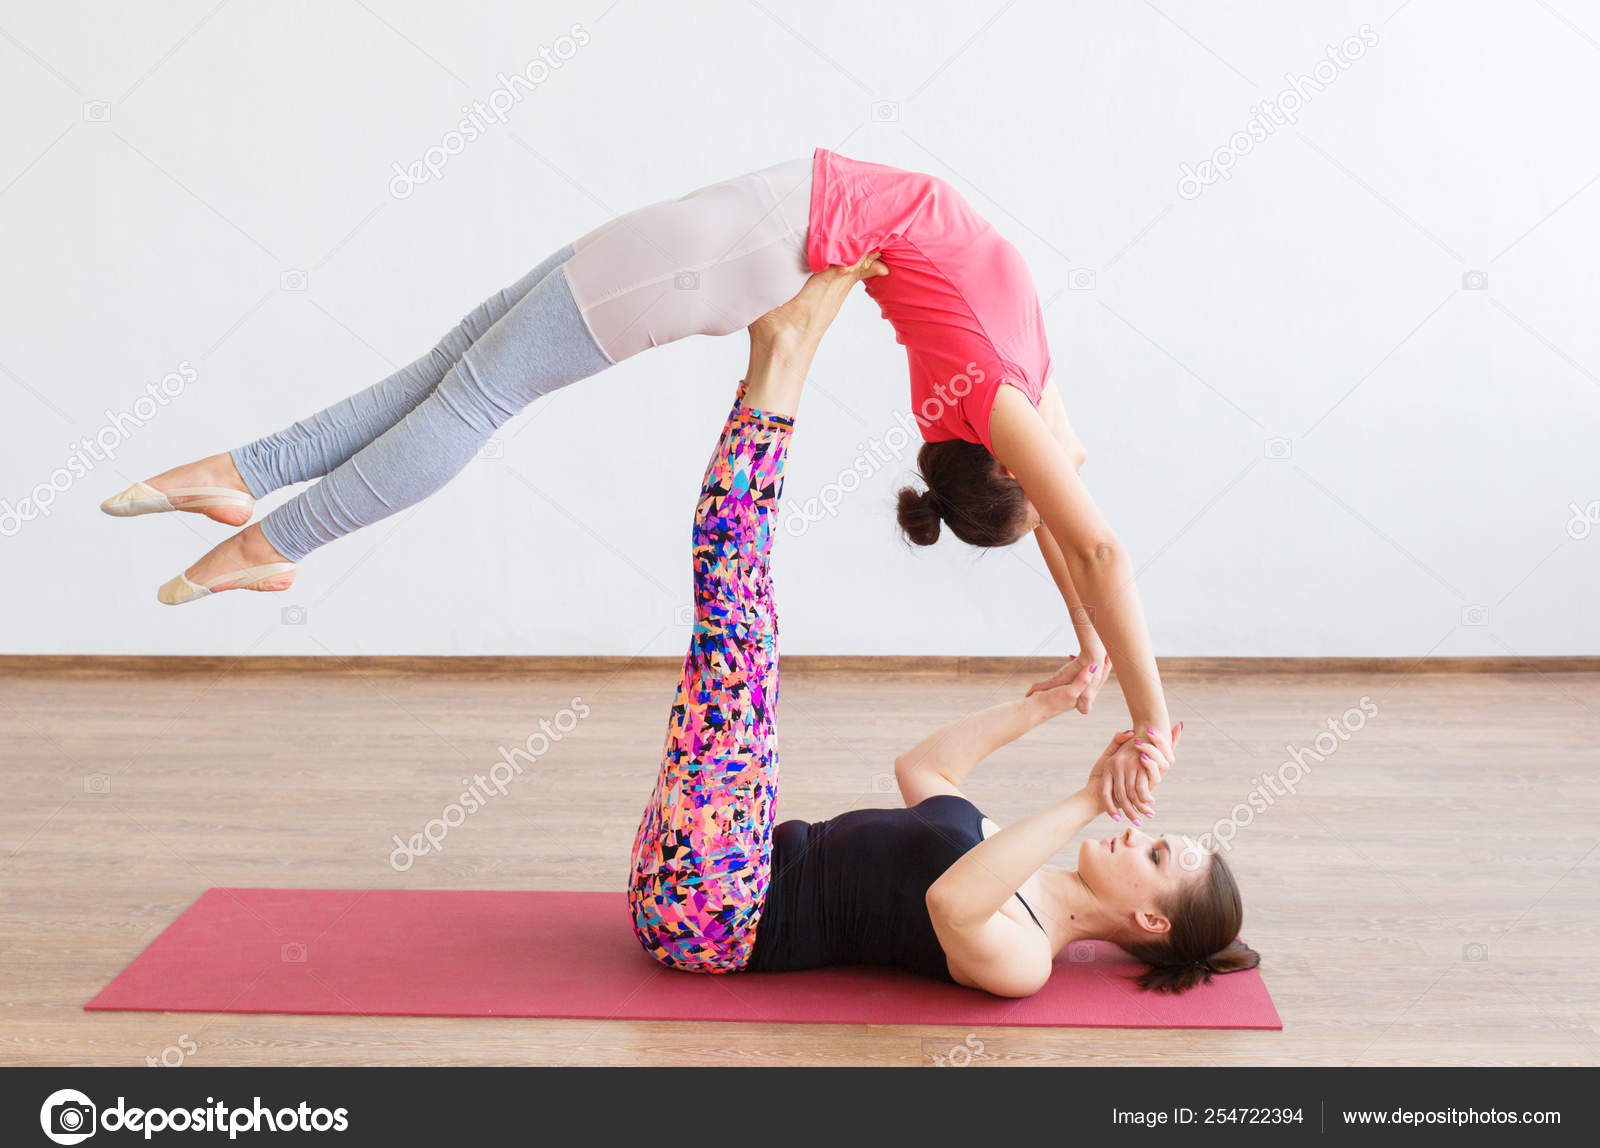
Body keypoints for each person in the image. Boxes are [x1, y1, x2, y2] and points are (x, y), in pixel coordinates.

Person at [103, 148, 1176, 820]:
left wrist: (1150, 718)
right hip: (738, 228)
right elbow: (1069, 517)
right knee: (458, 363)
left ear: (996, 464)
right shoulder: (1017, 399)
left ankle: (267, 545)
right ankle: (236, 478)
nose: (1054, 473)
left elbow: (1092, 546)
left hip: (740, 246)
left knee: (479, 395)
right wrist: (1086, 648)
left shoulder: (985, 395)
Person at [628, 259, 1258, 996]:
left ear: (1151, 922)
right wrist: (1050, 701)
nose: (1136, 834)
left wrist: (1094, 794)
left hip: (718, 908)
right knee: (741, 620)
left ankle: (784, 351)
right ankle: (782, 351)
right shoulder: (1002, 849)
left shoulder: (1026, 956)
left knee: (742, 626)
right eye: (1153, 837)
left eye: (1153, 857)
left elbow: (949, 902)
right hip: (728, 858)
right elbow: (923, 770)